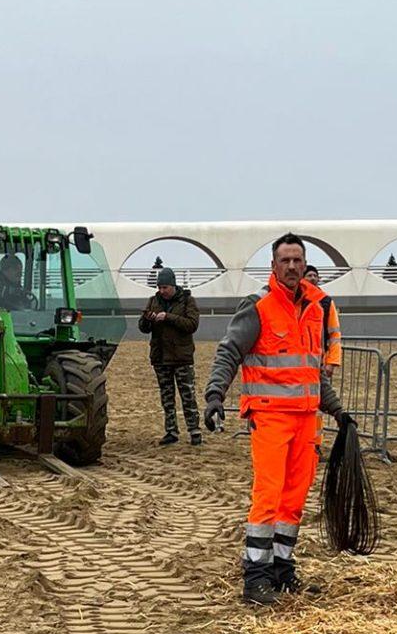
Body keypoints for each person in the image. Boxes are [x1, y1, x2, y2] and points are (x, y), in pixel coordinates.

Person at [204, 233, 346, 606]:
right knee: (268, 496)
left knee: (293, 499)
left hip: (305, 421)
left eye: (297, 260)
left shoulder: (315, 310)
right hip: (269, 418)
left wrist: (337, 410)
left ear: (305, 264)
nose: (292, 267)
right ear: (273, 266)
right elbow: (228, 352)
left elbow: (312, 372)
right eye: (285, 260)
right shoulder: (258, 307)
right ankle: (256, 576)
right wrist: (215, 395)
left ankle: (282, 569)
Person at [138, 266, 202, 446]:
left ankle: (194, 430)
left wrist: (168, 317)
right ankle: (171, 431)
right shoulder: (153, 301)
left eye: (165, 287)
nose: (161, 291)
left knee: (188, 395)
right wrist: (147, 319)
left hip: (181, 357)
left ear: (173, 286)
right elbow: (143, 328)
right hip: (160, 357)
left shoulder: (188, 301)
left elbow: (191, 324)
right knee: (167, 397)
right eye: (159, 287)